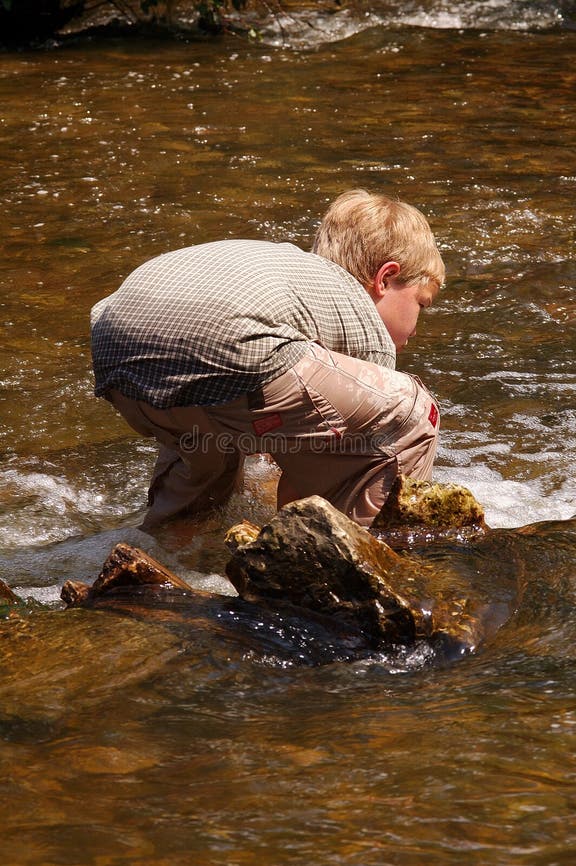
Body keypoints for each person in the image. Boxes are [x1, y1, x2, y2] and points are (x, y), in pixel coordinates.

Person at [90, 189, 445, 530]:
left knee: (209, 459)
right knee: (413, 413)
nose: (415, 329)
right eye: (421, 305)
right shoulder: (364, 325)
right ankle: (370, 561)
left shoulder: (285, 273)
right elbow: (307, 481)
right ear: (385, 278)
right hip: (229, 346)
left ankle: (169, 548)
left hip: (117, 356)